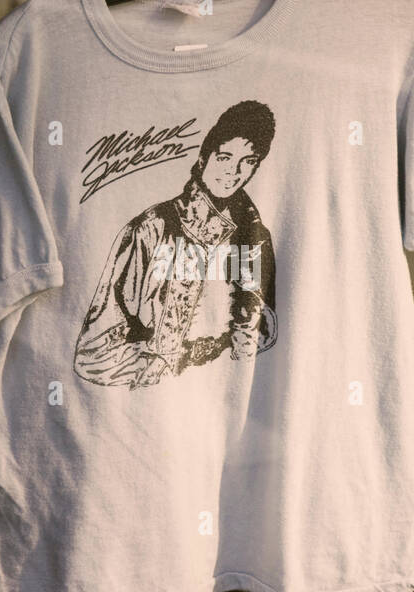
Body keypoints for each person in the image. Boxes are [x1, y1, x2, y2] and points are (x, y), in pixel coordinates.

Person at [73, 100, 277, 389]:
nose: (234, 171)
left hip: (235, 421)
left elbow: (265, 337)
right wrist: (164, 365)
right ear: (204, 158)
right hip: (147, 412)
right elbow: (93, 353)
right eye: (225, 157)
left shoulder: (257, 238)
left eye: (248, 161)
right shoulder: (151, 227)